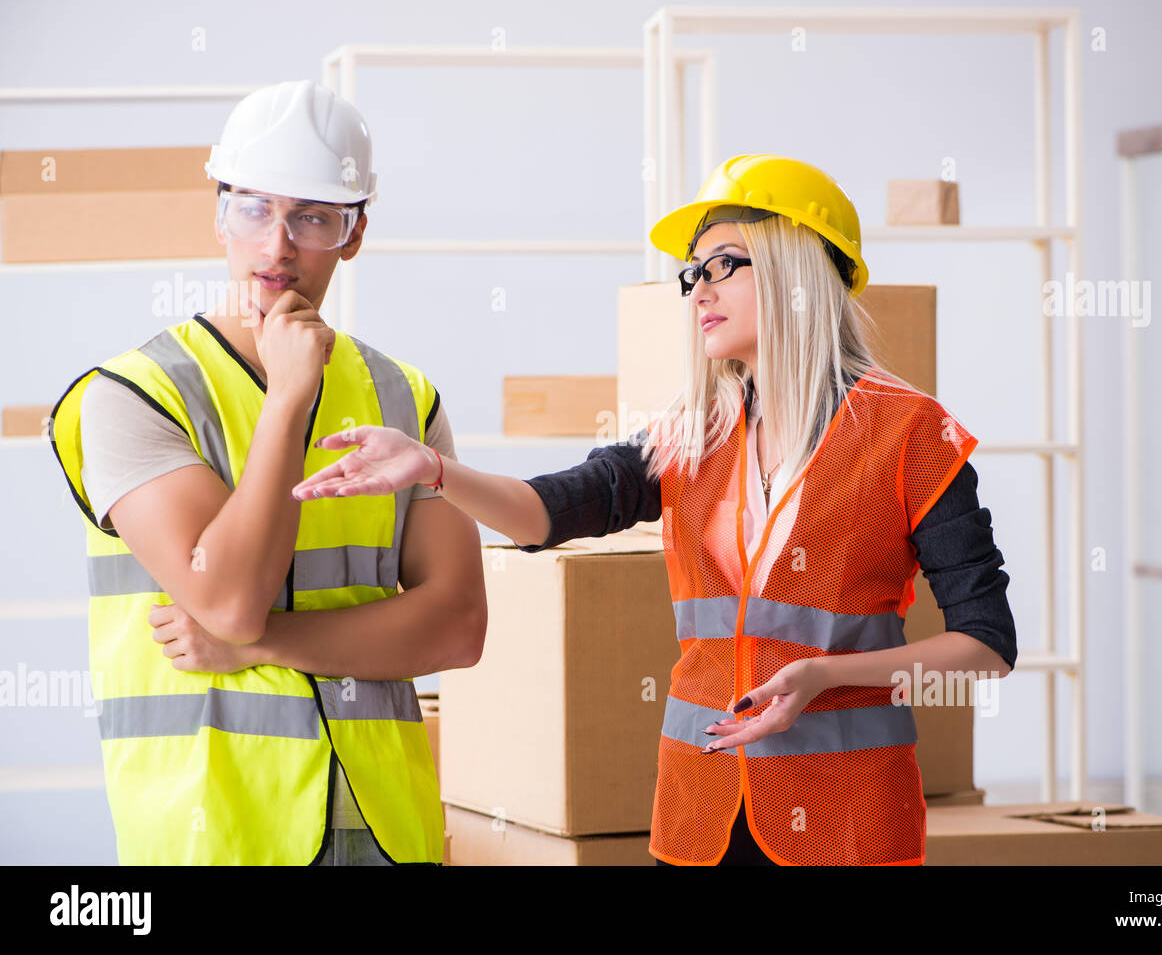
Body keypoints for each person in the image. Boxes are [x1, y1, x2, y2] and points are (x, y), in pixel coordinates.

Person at [291, 154, 1017, 866]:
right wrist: (436, 468)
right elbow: (544, 513)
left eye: (723, 264)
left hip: (846, 821)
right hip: (702, 814)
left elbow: (985, 646)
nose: (698, 289)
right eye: (692, 273)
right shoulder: (690, 434)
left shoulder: (910, 434)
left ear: (797, 267)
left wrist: (825, 677)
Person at [48, 79, 486, 865]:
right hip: (217, 829)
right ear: (219, 213)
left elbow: (457, 625)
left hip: (385, 826)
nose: (277, 246)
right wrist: (289, 398)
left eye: (312, 217)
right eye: (254, 208)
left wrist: (262, 645)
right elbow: (230, 597)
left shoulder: (404, 398)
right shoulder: (131, 397)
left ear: (352, 234)